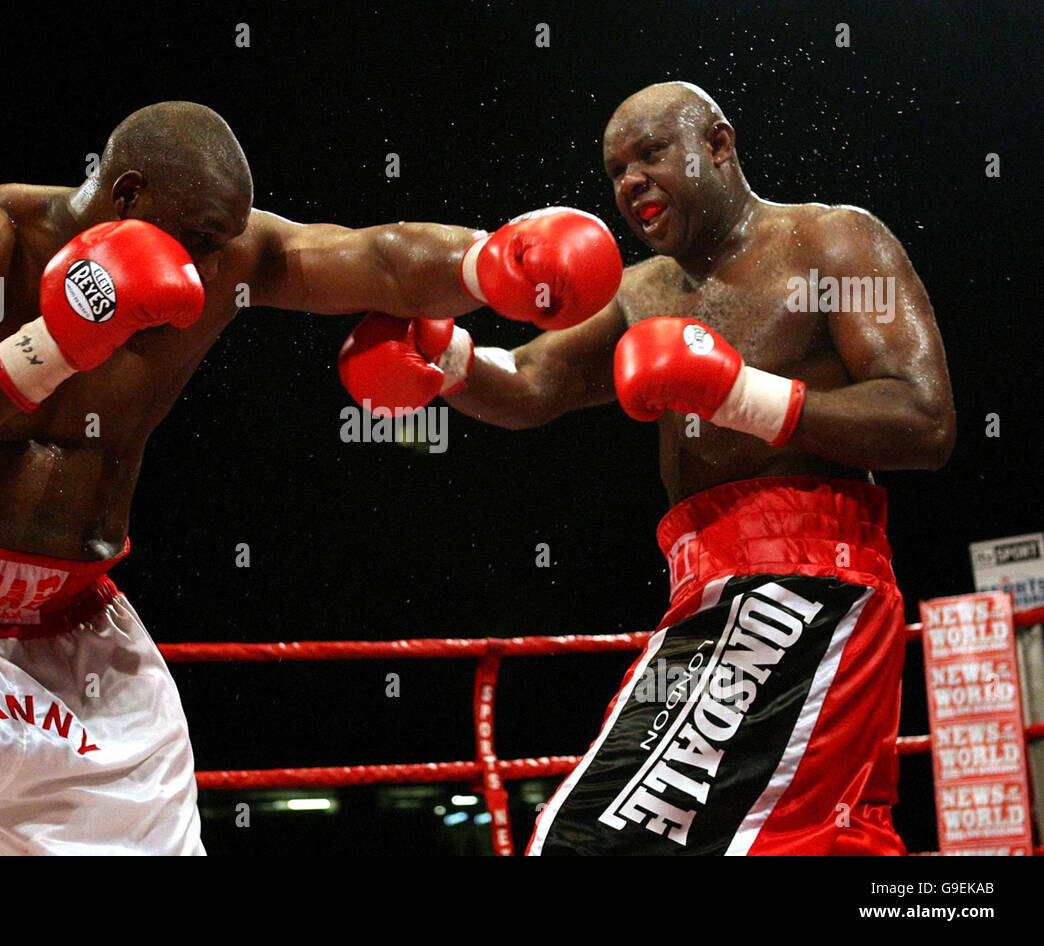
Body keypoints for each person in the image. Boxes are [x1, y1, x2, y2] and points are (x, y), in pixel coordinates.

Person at [0, 101, 619, 855]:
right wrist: (50, 348)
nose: (213, 265)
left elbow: (375, 258)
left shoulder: (227, 257)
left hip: (73, 624)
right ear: (127, 194)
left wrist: (492, 263)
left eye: (226, 238)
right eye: (203, 237)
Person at [338, 82, 956, 855]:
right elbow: (532, 384)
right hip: (702, 590)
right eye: (614, 170)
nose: (629, 182)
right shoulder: (643, 292)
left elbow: (924, 421)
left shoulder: (832, 243)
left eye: (650, 153)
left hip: (805, 585)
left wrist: (742, 396)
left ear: (720, 146)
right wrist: (442, 358)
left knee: (590, 841)